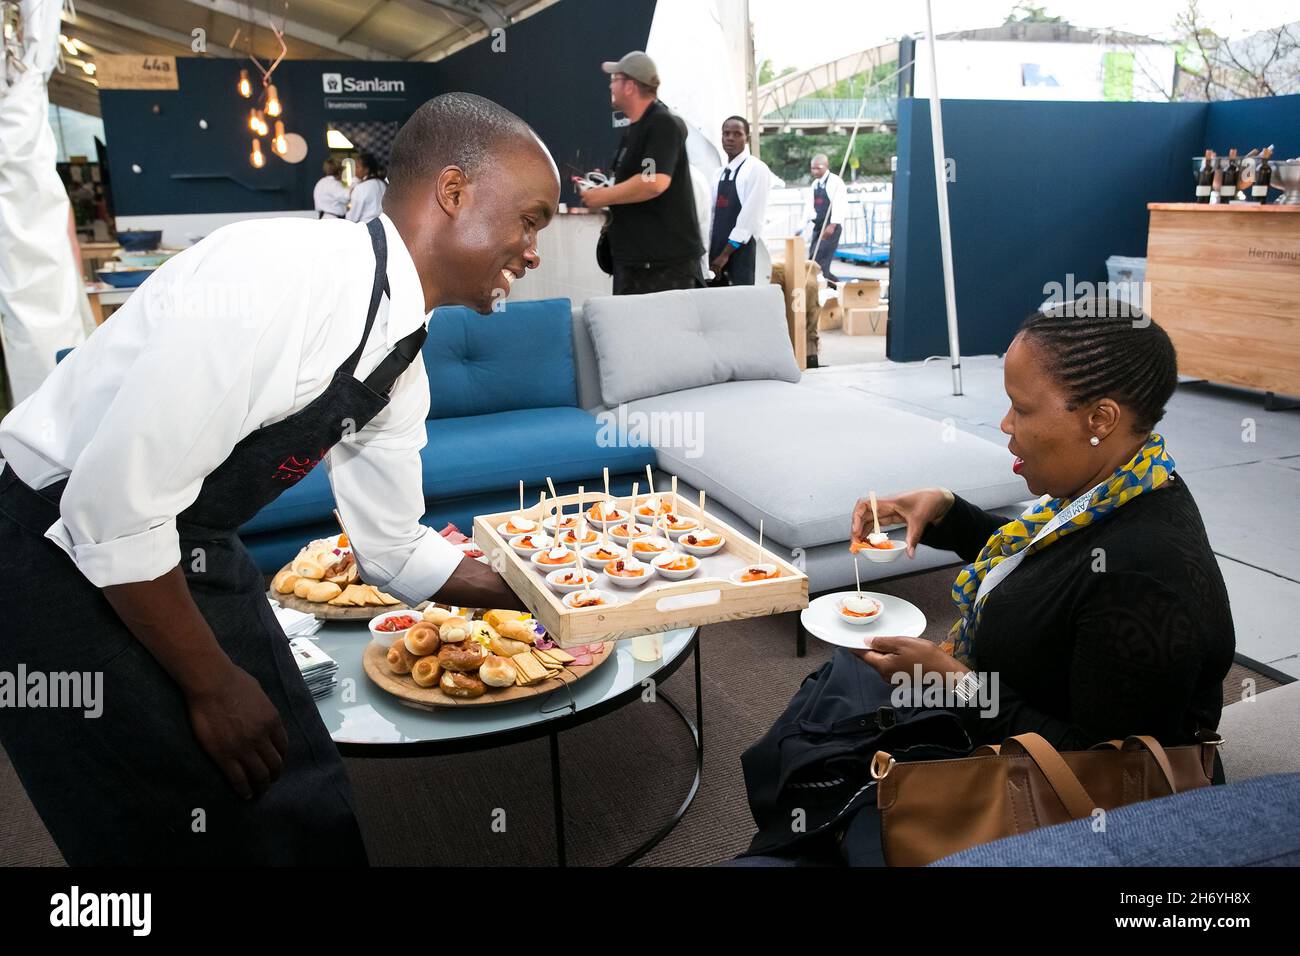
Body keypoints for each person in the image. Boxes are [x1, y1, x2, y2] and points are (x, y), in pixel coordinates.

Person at [0, 92, 559, 865]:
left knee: (297, 781)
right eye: (530, 220)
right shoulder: (279, 278)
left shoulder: (403, 365)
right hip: (52, 554)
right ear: (454, 191)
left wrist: (555, 596)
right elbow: (111, 512)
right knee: (157, 821)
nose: (533, 252)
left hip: (187, 543)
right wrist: (211, 685)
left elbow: (393, 550)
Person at [743, 300, 1235, 865]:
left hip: (1069, 802)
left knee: (832, 765)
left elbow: (1097, 765)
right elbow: (1047, 571)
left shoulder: (1146, 578)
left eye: (1021, 409)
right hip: (1003, 715)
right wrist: (950, 514)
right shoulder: (1123, 486)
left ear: (1100, 419)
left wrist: (958, 683)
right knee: (839, 693)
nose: (1005, 425)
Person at [580, 50, 703, 295]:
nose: (610, 86)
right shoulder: (635, 128)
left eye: (614, 80)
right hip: (636, 261)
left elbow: (654, 182)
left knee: (659, 333)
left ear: (630, 86)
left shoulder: (662, 123)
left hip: (663, 267)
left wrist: (603, 196)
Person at [707, 115, 771, 287]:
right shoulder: (718, 173)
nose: (730, 138)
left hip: (739, 251)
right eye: (726, 133)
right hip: (716, 250)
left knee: (740, 304)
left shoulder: (756, 169)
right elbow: (712, 216)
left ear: (747, 138)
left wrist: (725, 254)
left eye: (737, 134)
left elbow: (750, 218)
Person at [800, 153, 846, 286]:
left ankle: (832, 289)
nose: (815, 171)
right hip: (818, 225)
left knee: (821, 263)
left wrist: (832, 225)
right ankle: (835, 287)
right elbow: (809, 208)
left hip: (831, 226)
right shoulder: (815, 184)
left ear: (826, 166)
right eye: (812, 168)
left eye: (818, 168)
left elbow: (839, 204)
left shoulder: (835, 182)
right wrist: (801, 227)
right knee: (812, 260)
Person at [346, 151, 387, 223]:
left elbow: (352, 218)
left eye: (357, 167)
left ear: (366, 169)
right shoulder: (383, 184)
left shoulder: (361, 188)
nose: (355, 170)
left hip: (366, 228)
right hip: (383, 226)